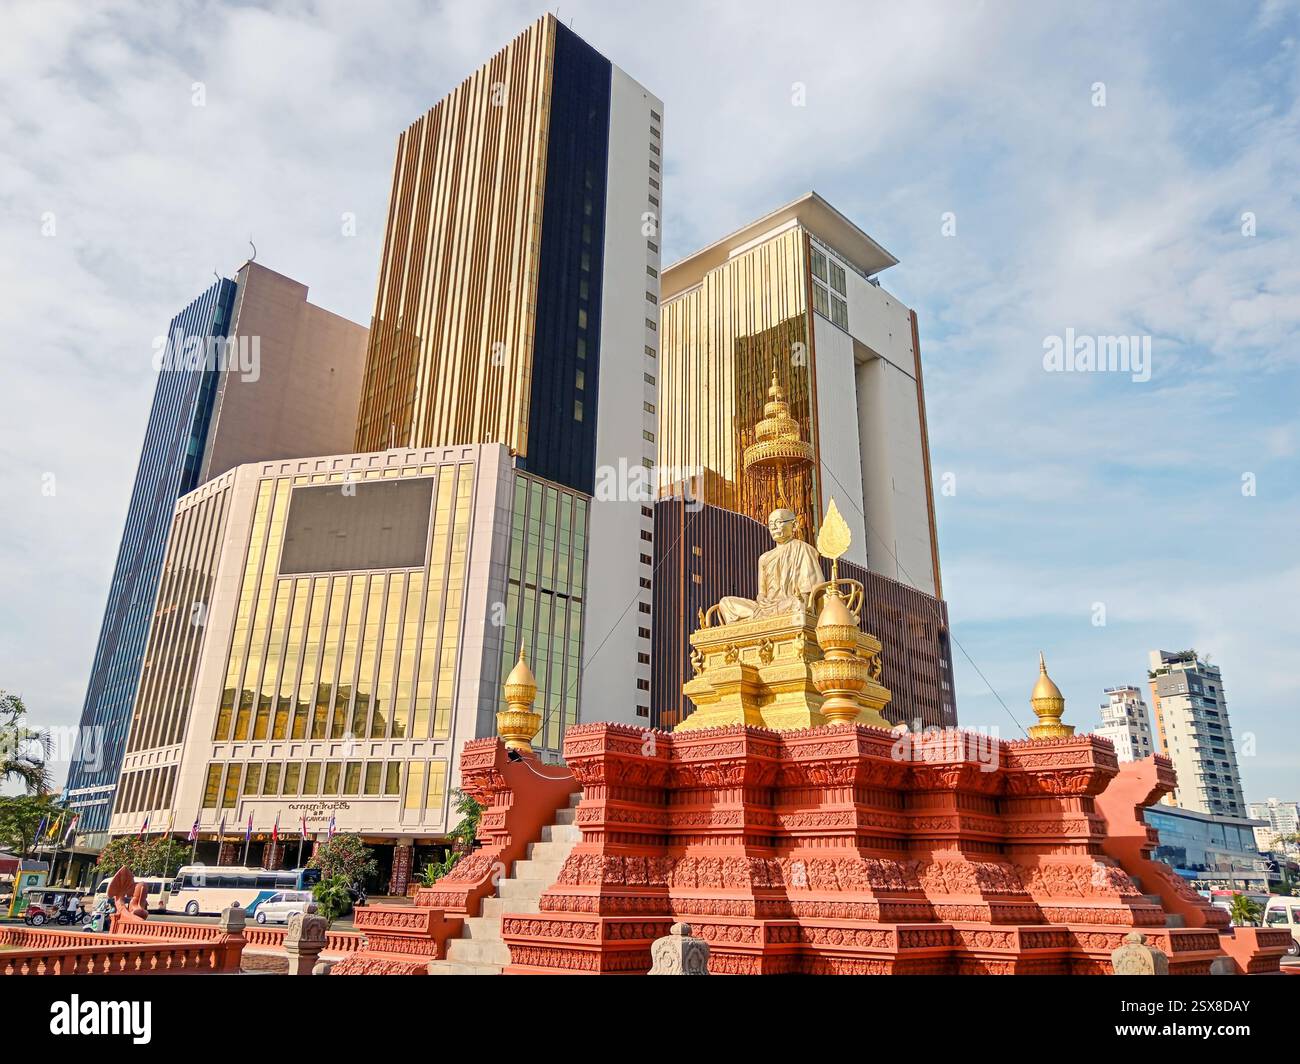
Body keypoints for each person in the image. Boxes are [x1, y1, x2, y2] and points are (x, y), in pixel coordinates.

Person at [717, 508, 823, 624]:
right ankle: (762, 619)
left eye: (778, 522)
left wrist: (789, 602)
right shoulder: (764, 558)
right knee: (725, 602)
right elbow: (762, 593)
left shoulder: (803, 549)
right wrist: (761, 599)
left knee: (799, 603)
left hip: (788, 603)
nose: (773, 527)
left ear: (794, 525)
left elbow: (809, 592)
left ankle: (759, 620)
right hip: (765, 607)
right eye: (771, 524)